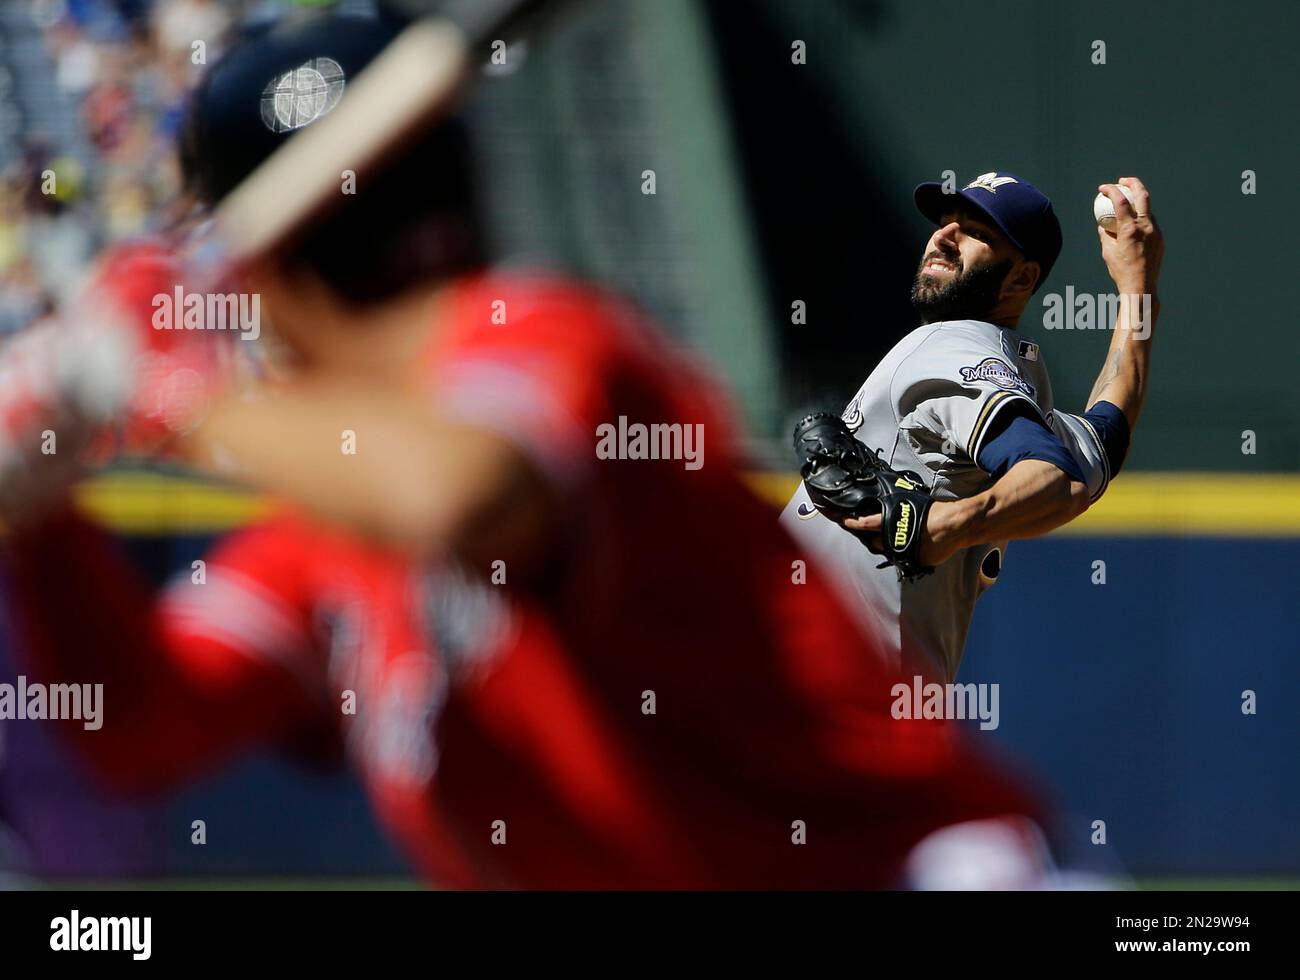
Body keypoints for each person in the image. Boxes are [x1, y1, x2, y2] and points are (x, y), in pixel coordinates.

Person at [3, 15, 1049, 888]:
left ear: (267, 279)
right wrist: (37, 513)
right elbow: (143, 721)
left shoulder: (548, 339)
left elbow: (465, 492)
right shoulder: (340, 513)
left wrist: (168, 385)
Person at [782, 172, 1164, 682]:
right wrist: (1137, 287)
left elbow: (1054, 480)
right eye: (945, 222)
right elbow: (1106, 436)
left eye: (976, 230)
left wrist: (943, 525)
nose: (944, 235)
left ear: (1022, 280)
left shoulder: (953, 345)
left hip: (833, 703)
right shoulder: (1020, 379)